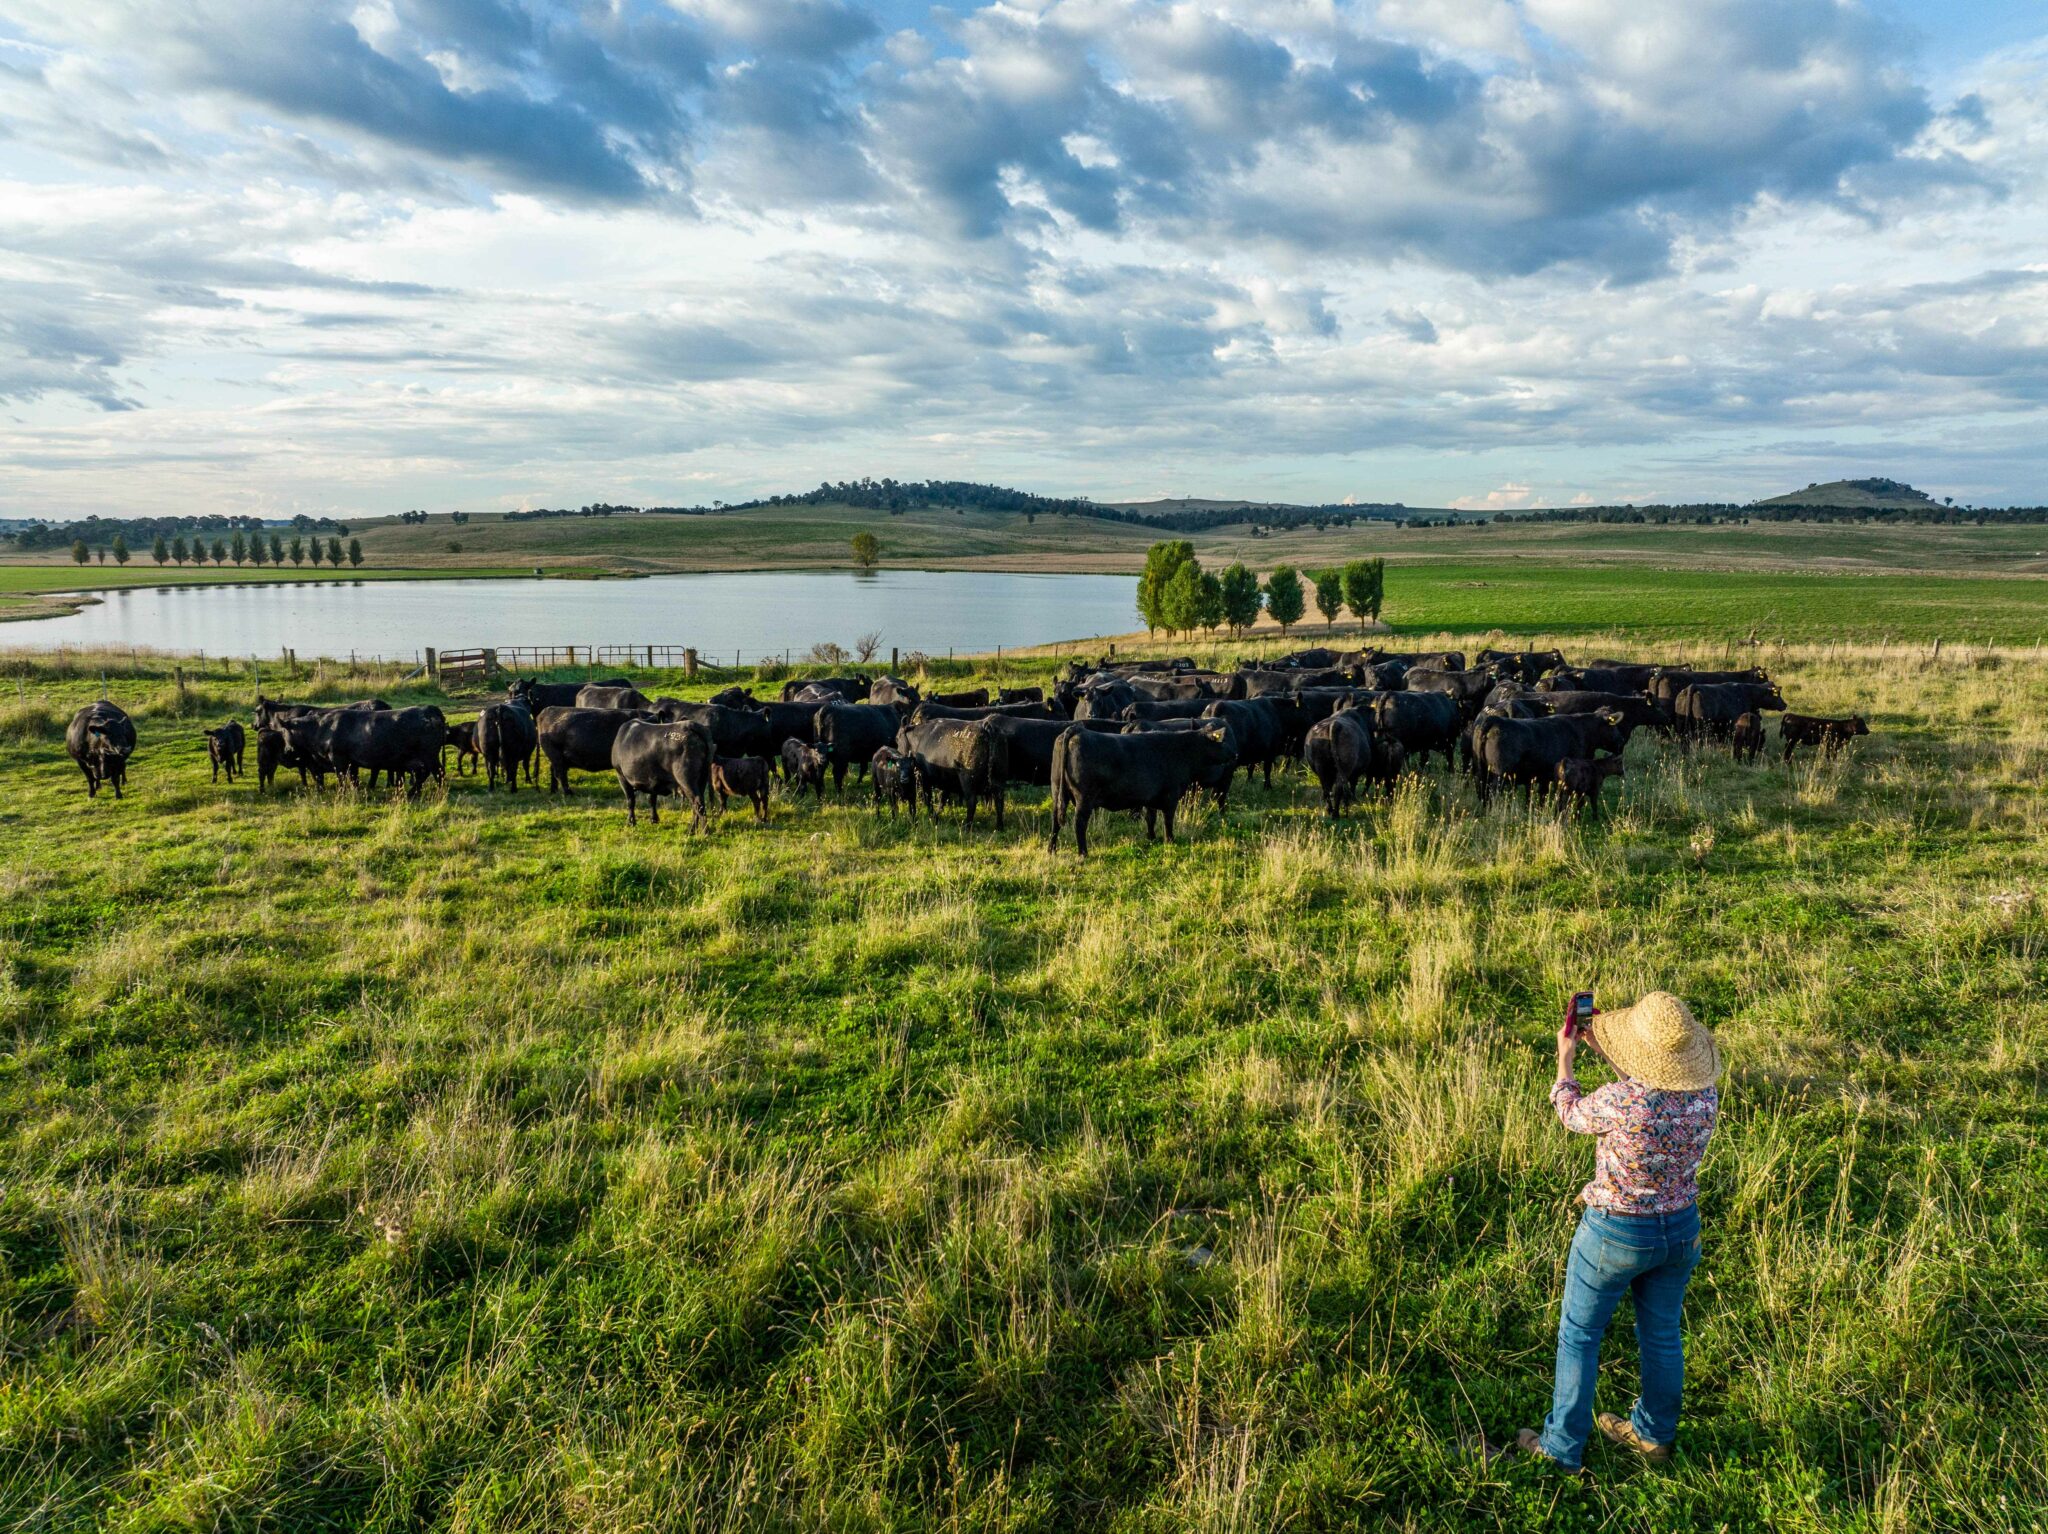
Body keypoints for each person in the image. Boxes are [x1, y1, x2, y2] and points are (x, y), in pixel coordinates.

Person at [1508, 991, 1721, 1471]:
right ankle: (1653, 1435)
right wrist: (1611, 1055)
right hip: (1680, 1227)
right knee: (1663, 1333)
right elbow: (1656, 1090)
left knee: (1580, 1335)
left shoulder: (1621, 1101)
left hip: (1616, 1231)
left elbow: (1570, 1112)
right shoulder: (1704, 1094)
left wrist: (1566, 1060)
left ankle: (1561, 1449)